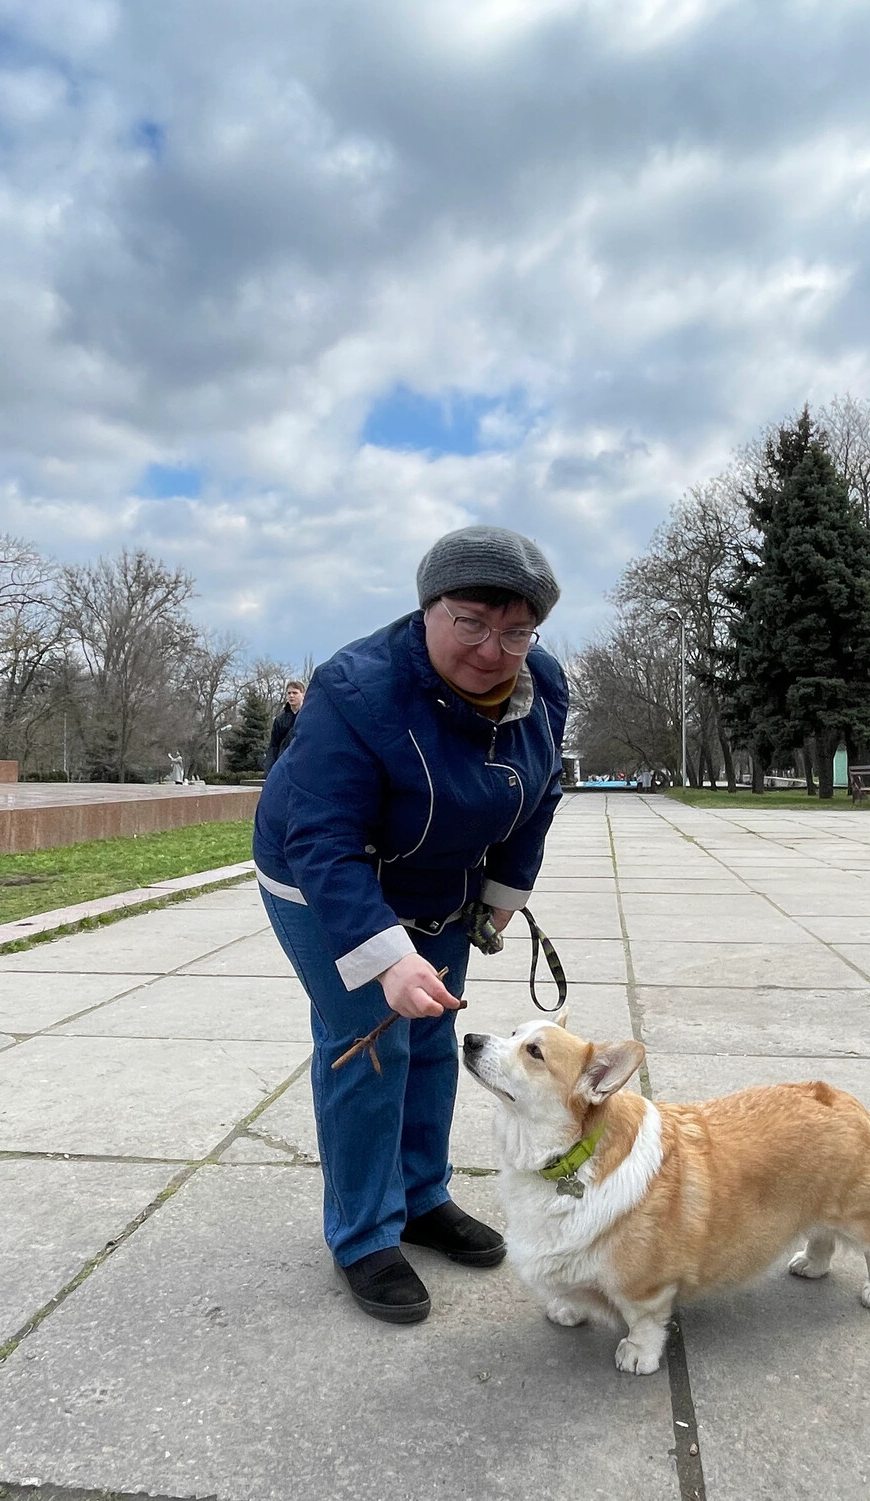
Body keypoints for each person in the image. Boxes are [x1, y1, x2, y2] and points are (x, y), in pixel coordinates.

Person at [253, 525, 568, 1325]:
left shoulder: (546, 686)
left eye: (515, 631)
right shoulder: (357, 687)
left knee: (433, 1034)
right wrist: (386, 956)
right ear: (428, 607)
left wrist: (504, 889)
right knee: (371, 1039)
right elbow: (321, 837)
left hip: (442, 879)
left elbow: (541, 793)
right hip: (323, 875)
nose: (493, 648)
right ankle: (363, 1232)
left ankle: (422, 1196)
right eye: (470, 620)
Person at [263, 680, 306, 773]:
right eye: (289, 693)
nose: (291, 695)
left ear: (303, 695)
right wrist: (270, 768)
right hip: (284, 765)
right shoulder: (280, 720)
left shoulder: (309, 718)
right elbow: (274, 746)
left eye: (295, 693)